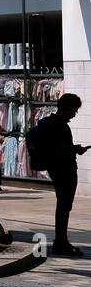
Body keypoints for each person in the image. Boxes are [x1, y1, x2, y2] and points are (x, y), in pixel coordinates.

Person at [26, 93, 87, 257]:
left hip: (55, 168)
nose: (75, 114)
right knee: (64, 205)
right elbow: (59, 149)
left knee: (63, 205)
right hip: (64, 168)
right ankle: (61, 242)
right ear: (67, 108)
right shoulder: (59, 126)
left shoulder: (48, 122)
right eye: (74, 110)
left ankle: (61, 241)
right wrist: (76, 149)